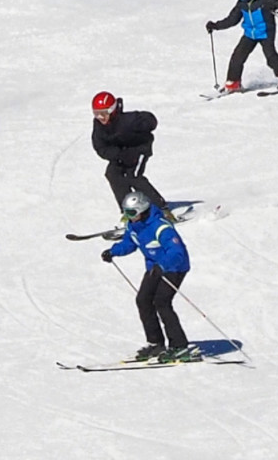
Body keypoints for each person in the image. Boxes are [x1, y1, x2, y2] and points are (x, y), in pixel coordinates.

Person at [101, 191, 199, 363]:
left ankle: (179, 346)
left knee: (161, 302)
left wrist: (163, 266)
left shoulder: (161, 227)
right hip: (154, 268)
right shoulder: (134, 226)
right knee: (143, 300)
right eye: (125, 212)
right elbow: (129, 243)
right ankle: (156, 343)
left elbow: (178, 252)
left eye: (131, 213)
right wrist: (113, 251)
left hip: (174, 267)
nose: (127, 217)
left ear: (142, 210)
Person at [206, 0, 278, 92]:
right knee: (237, 56)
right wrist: (215, 26)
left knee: (270, 55)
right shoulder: (241, 2)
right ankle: (233, 82)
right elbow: (232, 20)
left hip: (265, 31)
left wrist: (276, 9)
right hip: (250, 33)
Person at [90, 91, 166, 212]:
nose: (101, 118)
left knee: (133, 176)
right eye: (97, 114)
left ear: (112, 110)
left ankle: (160, 208)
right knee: (113, 174)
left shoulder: (127, 121)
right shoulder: (99, 127)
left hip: (139, 149)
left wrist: (146, 126)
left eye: (104, 113)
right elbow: (100, 147)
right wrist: (119, 154)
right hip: (121, 153)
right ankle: (129, 210)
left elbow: (150, 119)